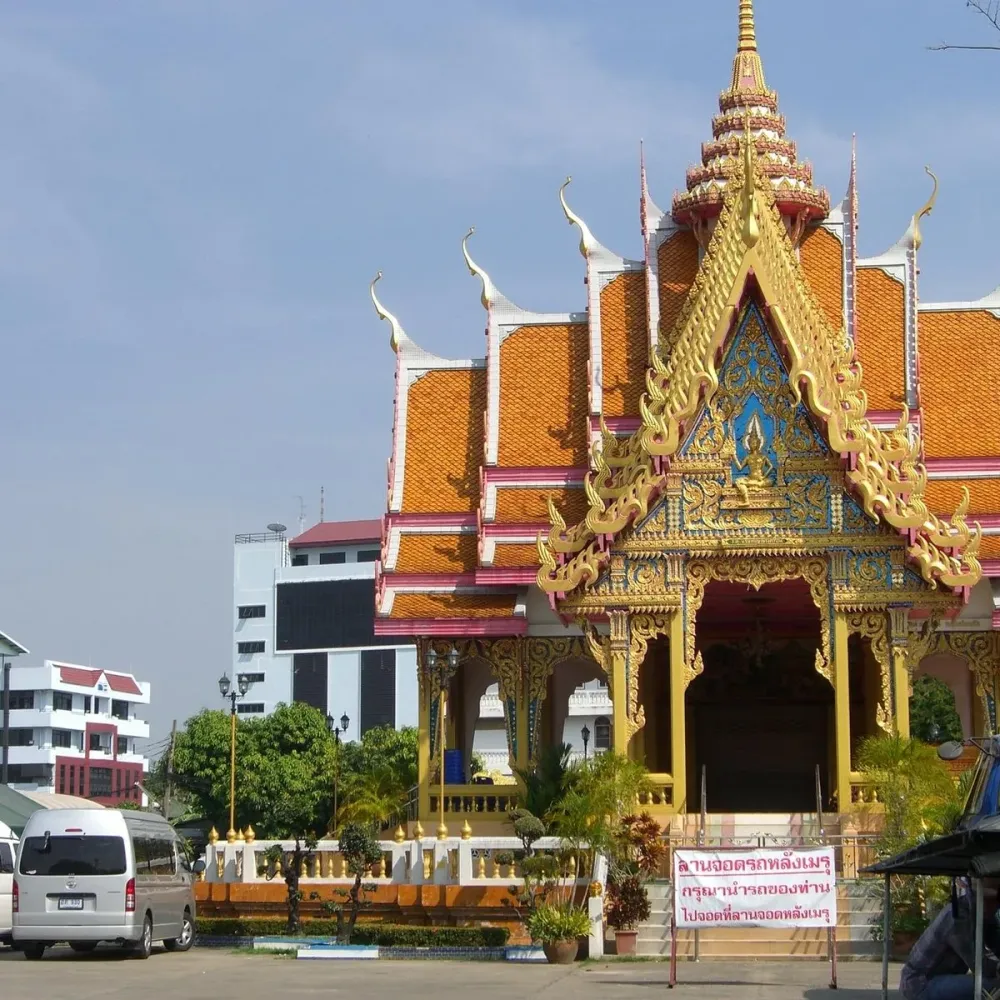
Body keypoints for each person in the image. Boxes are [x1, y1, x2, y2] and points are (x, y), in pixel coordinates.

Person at [899, 877, 1000, 1000]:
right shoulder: (957, 918)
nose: (992, 906)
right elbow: (979, 965)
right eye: (987, 899)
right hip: (920, 983)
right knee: (991, 986)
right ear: (974, 895)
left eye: (996, 901)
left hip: (941, 977)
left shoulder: (985, 917)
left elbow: (997, 946)